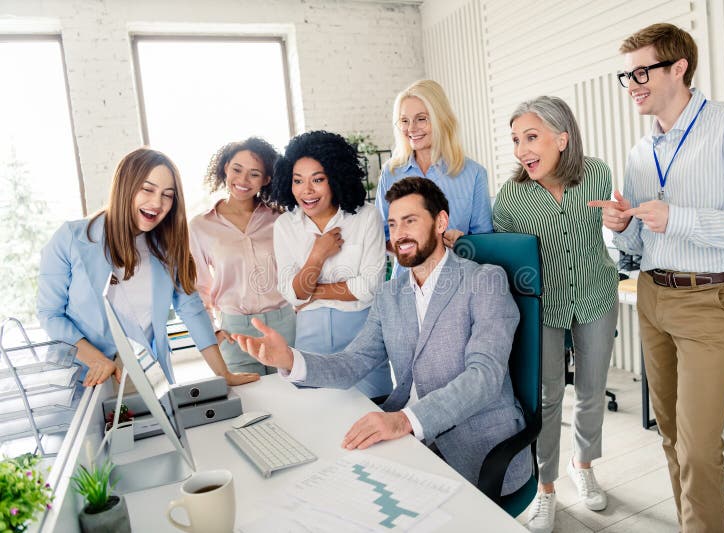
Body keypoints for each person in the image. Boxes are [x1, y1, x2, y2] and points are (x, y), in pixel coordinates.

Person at [588, 23, 724, 532]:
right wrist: (619, 228)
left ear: (679, 68)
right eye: (627, 74)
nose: (632, 83)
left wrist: (680, 217)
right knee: (670, 434)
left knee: (700, 448)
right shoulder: (642, 151)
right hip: (654, 296)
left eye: (642, 70)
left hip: (711, 299)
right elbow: (641, 243)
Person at [233, 176, 532, 496]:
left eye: (410, 221)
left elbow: (483, 377)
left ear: (440, 222)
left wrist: (405, 421)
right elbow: (355, 360)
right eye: (393, 223)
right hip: (409, 443)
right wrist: (291, 359)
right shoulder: (391, 295)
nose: (399, 233)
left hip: (476, 447)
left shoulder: (484, 281)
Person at [493, 96, 618, 533]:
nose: (521, 149)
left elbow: (616, 225)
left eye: (531, 137)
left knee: (591, 387)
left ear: (562, 139)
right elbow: (504, 261)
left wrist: (623, 224)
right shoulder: (510, 198)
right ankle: (545, 488)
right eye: (515, 140)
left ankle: (582, 464)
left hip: (596, 293)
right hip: (543, 307)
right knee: (547, 397)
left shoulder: (597, 174)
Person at [37, 148, 260, 387]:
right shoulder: (71, 238)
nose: (157, 203)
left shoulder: (167, 248)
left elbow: (190, 308)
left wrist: (223, 373)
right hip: (83, 375)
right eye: (148, 189)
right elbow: (49, 314)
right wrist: (97, 360)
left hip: (144, 376)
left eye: (168, 195)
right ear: (126, 187)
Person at [271, 130, 391, 399]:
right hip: (310, 343)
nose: (307, 190)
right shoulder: (285, 227)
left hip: (363, 342)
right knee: (317, 421)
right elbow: (291, 293)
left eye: (318, 179)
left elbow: (369, 287)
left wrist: (311, 291)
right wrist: (317, 255)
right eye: (298, 181)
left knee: (376, 413)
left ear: (335, 178)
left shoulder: (365, 217)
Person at [189, 137, 296, 376]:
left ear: (267, 179)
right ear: (226, 167)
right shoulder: (200, 226)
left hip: (284, 325)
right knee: (249, 404)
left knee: (292, 397)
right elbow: (197, 288)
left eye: (254, 174)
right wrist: (213, 330)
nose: (243, 180)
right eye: (237, 169)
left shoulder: (280, 219)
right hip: (235, 331)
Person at [376, 79, 492, 274]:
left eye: (421, 119)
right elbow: (382, 237)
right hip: (407, 286)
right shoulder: (390, 173)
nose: (411, 128)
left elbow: (485, 239)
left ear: (441, 119)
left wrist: (462, 242)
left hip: (457, 283)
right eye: (404, 120)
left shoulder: (474, 174)